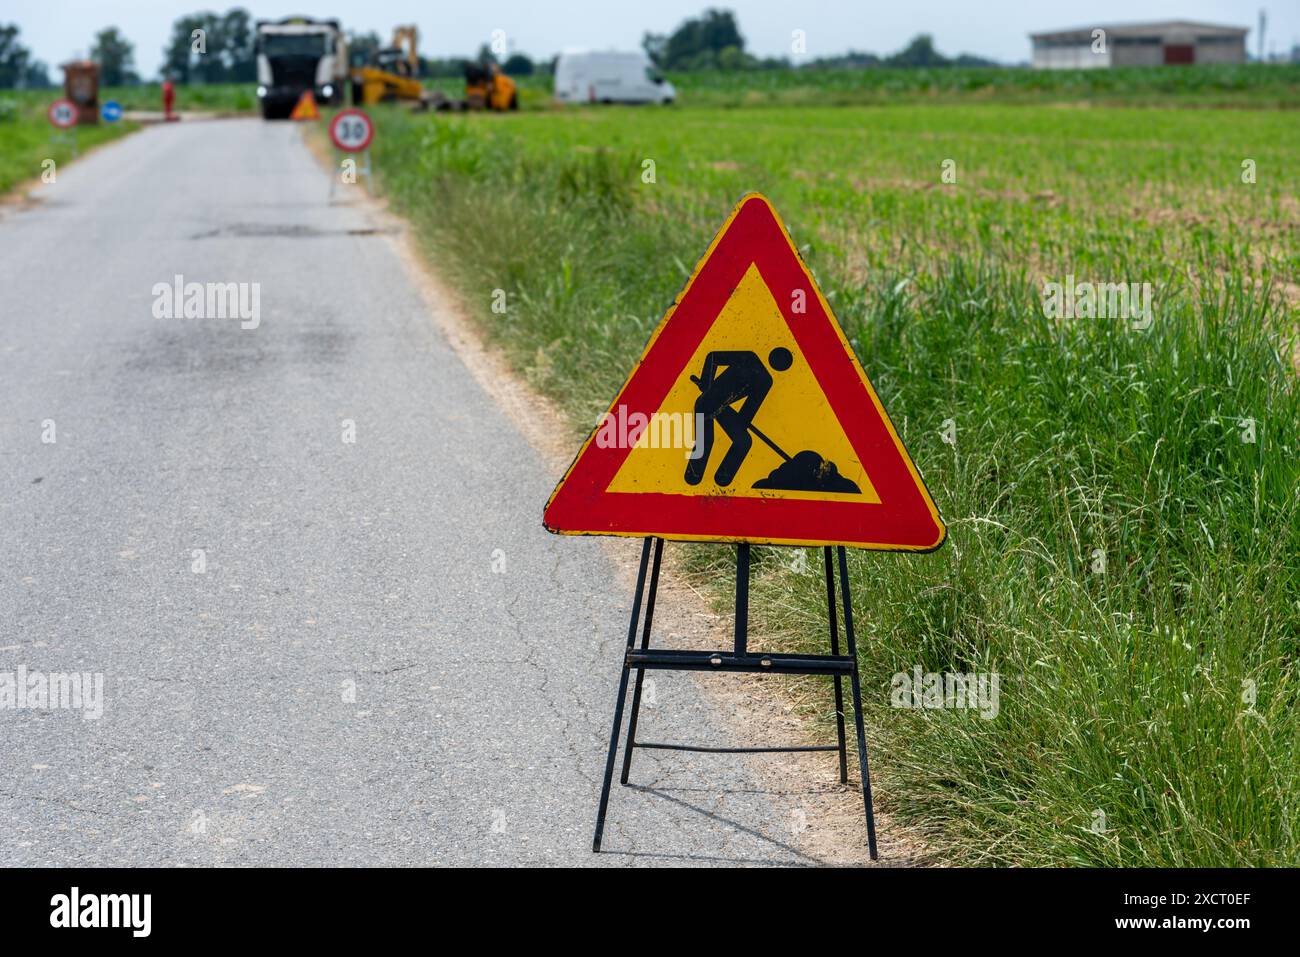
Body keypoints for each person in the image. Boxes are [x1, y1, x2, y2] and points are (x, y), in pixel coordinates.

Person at [684, 347, 792, 487]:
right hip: (707, 402)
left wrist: (741, 424)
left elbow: (748, 411)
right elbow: (713, 357)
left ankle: (724, 475)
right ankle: (694, 473)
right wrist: (707, 383)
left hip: (722, 408)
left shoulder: (765, 381)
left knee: (744, 441)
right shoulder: (749, 358)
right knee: (706, 439)